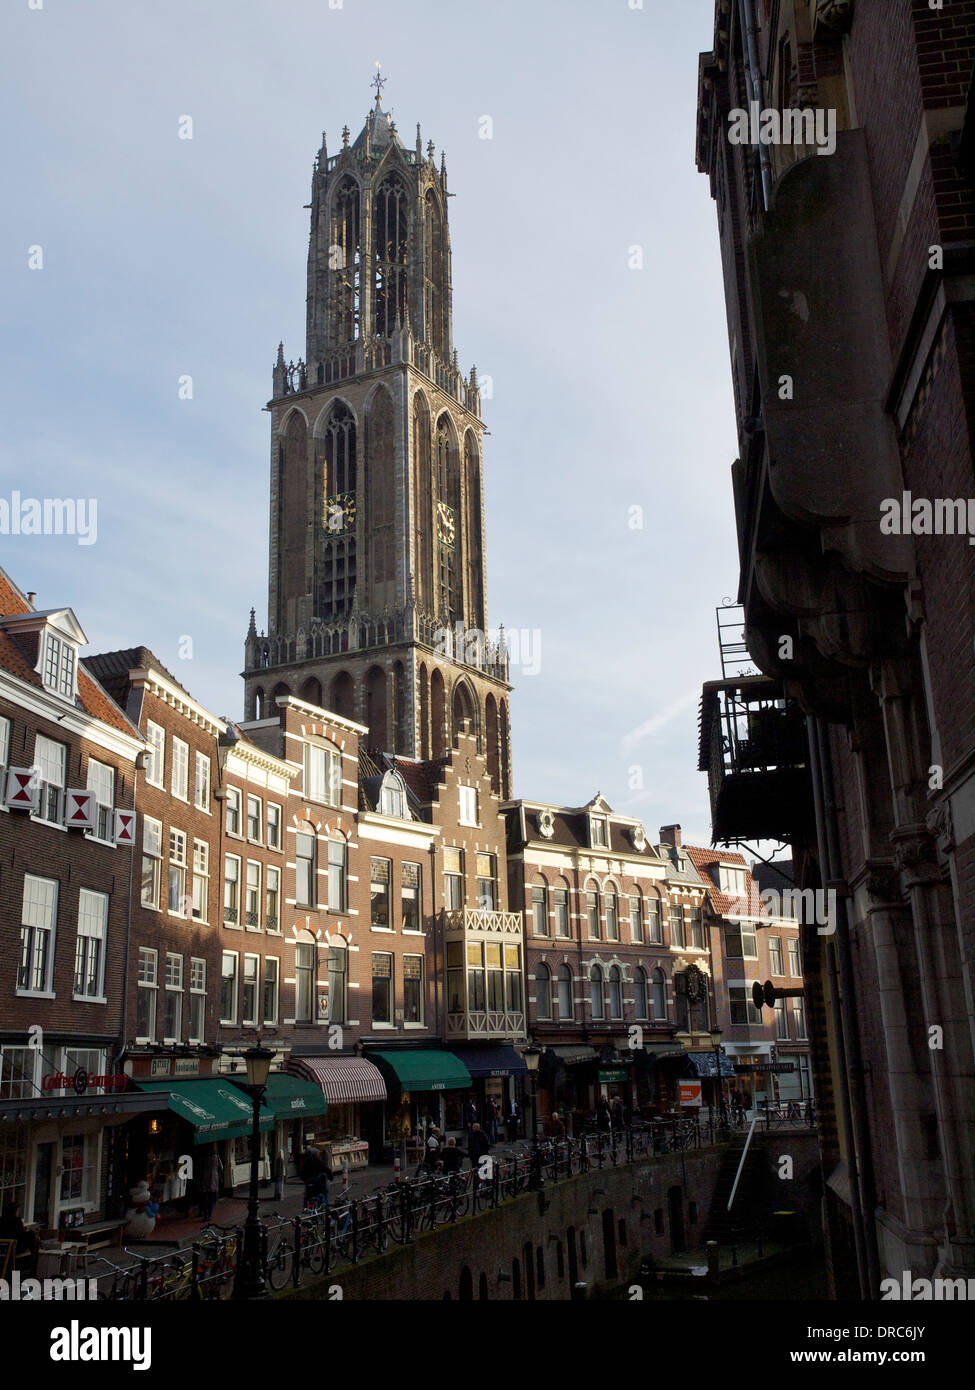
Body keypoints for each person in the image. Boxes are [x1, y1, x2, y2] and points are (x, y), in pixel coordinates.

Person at [0, 1199, 38, 1277]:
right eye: (18, 1211)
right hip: (14, 1247)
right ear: (15, 1211)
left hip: (3, 1247)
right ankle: (33, 1268)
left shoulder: (1, 1220)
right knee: (32, 1236)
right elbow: (20, 1234)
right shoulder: (16, 1220)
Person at [199, 1148, 223, 1223]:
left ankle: (205, 1213)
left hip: (205, 1178)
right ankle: (209, 1214)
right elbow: (221, 1167)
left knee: (205, 1197)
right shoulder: (216, 1157)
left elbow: (200, 1167)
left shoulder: (205, 1158)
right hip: (214, 1178)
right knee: (211, 1197)